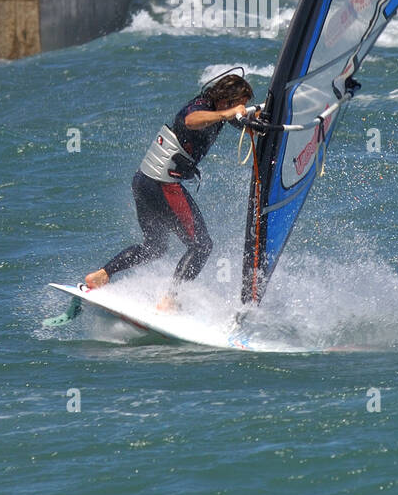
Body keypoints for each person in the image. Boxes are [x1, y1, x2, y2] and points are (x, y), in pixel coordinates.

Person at [51, 72, 254, 324]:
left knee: (155, 247)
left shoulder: (218, 111)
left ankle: (102, 275)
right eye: (237, 103)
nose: (237, 108)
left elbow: (244, 122)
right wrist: (227, 114)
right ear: (225, 100)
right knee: (202, 246)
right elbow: (191, 121)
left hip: (144, 182)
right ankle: (169, 300)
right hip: (163, 185)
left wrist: (257, 121)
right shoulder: (199, 109)